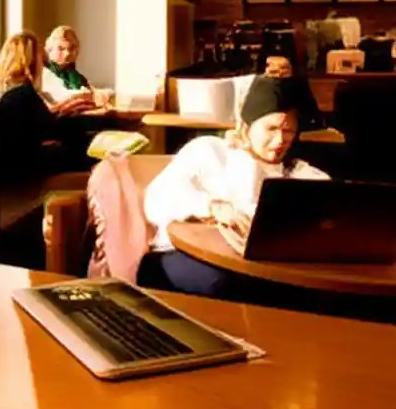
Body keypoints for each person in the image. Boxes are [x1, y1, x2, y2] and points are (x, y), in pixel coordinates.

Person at [138, 76, 328, 299]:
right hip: (182, 255)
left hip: (260, 268)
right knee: (227, 283)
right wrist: (212, 207)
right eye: (271, 129)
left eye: (288, 131)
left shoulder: (299, 174)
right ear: (246, 128)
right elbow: (157, 198)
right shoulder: (209, 151)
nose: (279, 140)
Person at [0, 31, 95, 177]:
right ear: (32, 62)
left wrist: (60, 111)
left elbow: (36, 126)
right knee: (86, 141)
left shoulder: (8, 92)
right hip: (27, 167)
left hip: (19, 163)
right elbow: (44, 130)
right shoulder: (23, 94)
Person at [41, 25, 97, 114]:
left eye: (71, 48)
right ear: (49, 50)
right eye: (61, 49)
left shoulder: (78, 77)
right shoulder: (43, 74)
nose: (67, 53)